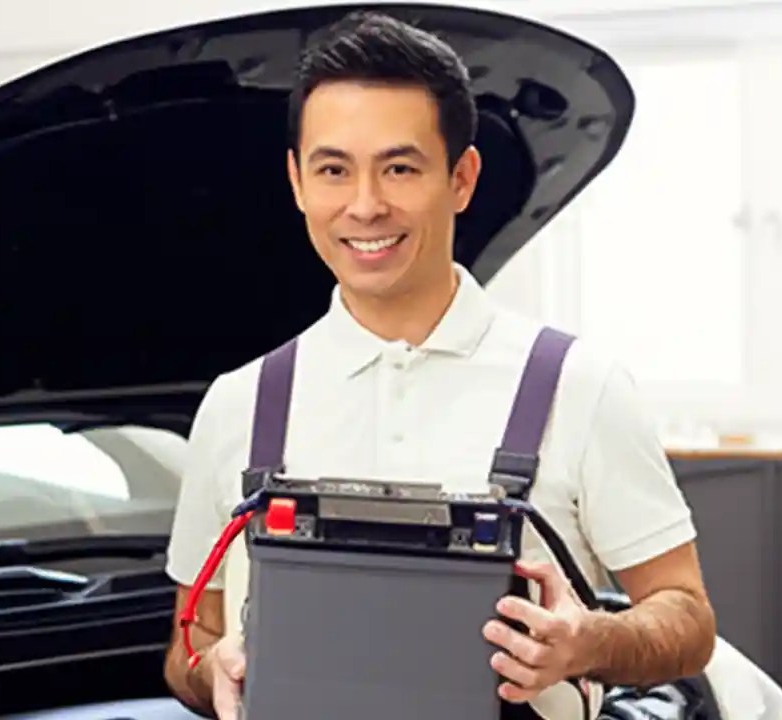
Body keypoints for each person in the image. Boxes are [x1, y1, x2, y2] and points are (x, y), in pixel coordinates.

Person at [161, 10, 717, 720]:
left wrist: (589, 640)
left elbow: (688, 618)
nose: (365, 205)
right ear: (298, 182)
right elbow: (189, 643)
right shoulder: (240, 403)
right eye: (335, 170)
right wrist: (213, 671)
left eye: (400, 168)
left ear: (461, 178)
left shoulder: (579, 388)